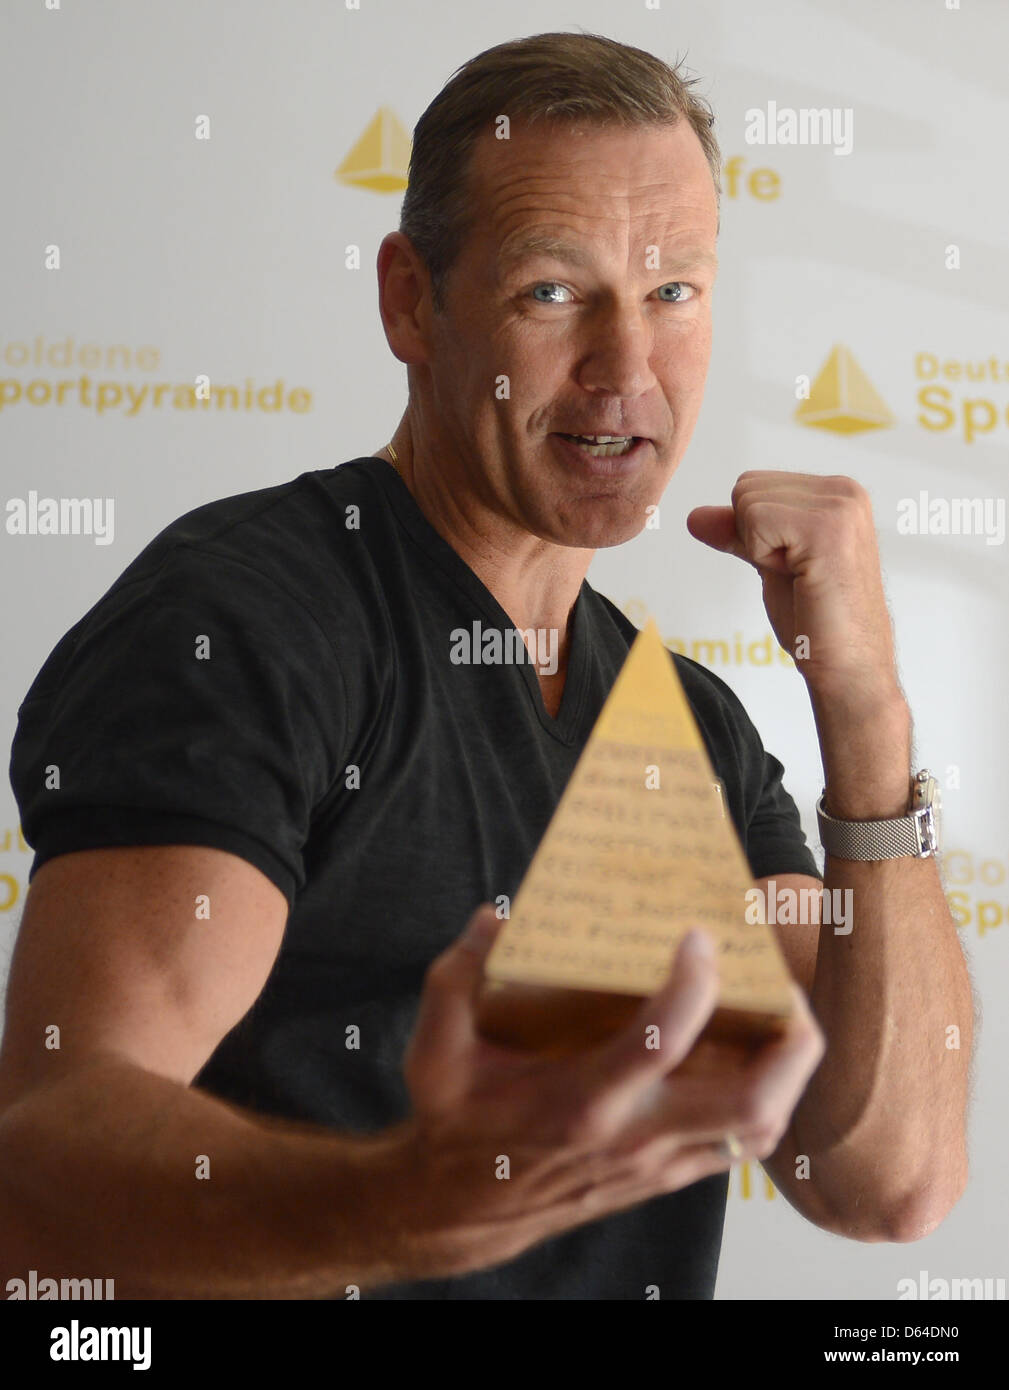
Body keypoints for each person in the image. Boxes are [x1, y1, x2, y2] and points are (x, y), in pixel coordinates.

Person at [0, 32, 970, 1301]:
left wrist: (866, 713)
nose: (627, 370)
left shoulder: (689, 725)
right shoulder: (253, 620)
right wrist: (404, 1204)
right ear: (412, 301)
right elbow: (44, 1164)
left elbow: (881, 1178)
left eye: (672, 291)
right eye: (554, 292)